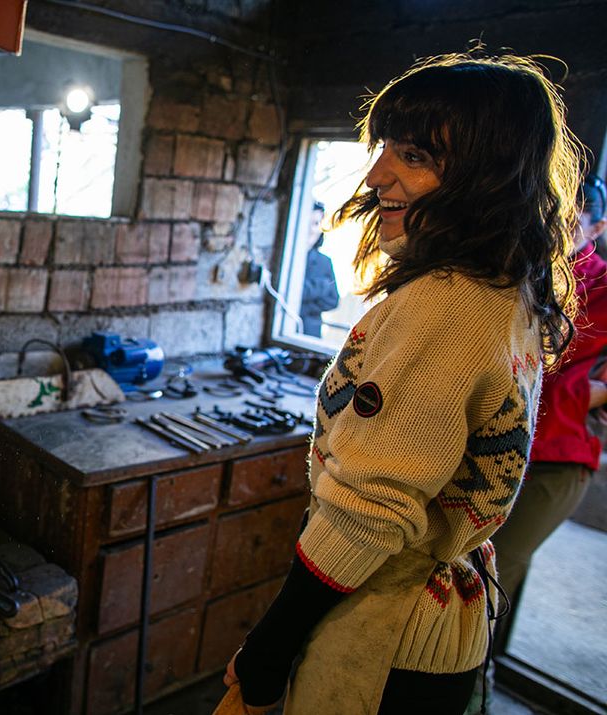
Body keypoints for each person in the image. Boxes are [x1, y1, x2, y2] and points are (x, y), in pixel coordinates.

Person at [220, 50, 582, 715]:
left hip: (385, 635)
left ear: (485, 179)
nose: (378, 173)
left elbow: (366, 510)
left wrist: (267, 653)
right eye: (384, 146)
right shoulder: (505, 290)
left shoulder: (448, 304)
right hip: (441, 622)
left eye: (413, 156)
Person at [489, 175, 607, 644]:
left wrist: (587, 396)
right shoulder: (517, 270)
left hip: (556, 458)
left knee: (493, 579)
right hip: (497, 447)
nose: (557, 230)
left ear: (597, 228)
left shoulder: (601, 285)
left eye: (572, 222)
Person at [299, 201, 340, 338]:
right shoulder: (288, 259)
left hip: (310, 333)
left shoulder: (325, 262)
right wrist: (320, 287)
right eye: (308, 223)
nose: (311, 229)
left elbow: (333, 300)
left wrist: (302, 305)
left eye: (316, 224)